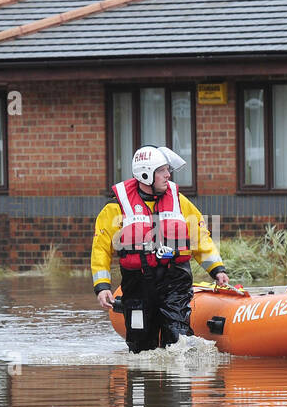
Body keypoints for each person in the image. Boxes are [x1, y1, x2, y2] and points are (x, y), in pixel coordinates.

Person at [91, 146, 230, 353]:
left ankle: (179, 382)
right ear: (146, 174)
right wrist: (102, 286)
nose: (168, 175)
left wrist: (217, 270)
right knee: (140, 346)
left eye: (168, 169)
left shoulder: (179, 201)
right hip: (137, 285)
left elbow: (200, 237)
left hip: (175, 282)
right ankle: (142, 382)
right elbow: (101, 249)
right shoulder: (116, 208)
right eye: (162, 170)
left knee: (178, 341)